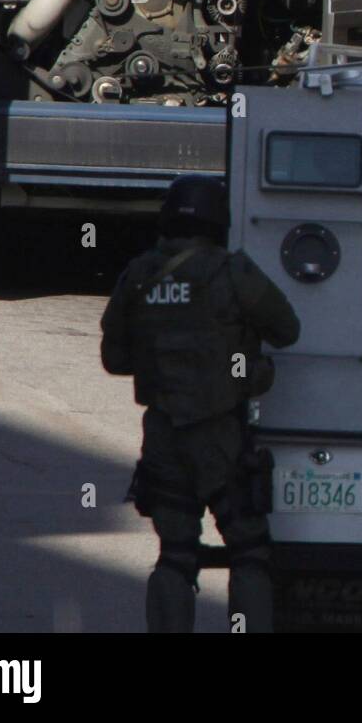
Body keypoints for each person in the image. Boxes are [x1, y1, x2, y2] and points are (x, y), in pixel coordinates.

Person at [101, 175, 300, 632]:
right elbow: (287, 329)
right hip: (220, 435)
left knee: (175, 553)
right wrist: (237, 366)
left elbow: (114, 358)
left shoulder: (139, 276)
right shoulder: (233, 273)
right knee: (250, 550)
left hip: (163, 436)